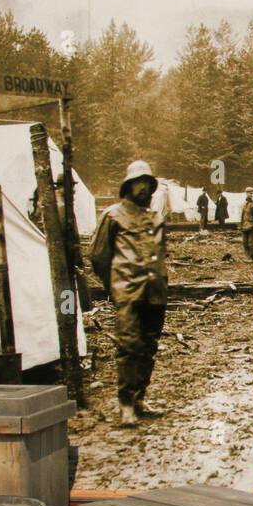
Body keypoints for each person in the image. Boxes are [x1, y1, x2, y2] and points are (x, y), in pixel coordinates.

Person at [90, 160, 171, 427]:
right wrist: (115, 287)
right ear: (127, 186)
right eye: (138, 183)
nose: (143, 188)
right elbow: (99, 256)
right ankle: (125, 404)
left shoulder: (157, 218)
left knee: (149, 346)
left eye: (147, 183)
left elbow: (159, 254)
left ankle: (140, 398)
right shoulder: (113, 215)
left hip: (155, 293)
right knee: (128, 347)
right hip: (128, 292)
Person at [240, 187, 253, 261]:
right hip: (244, 226)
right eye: (248, 193)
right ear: (246, 194)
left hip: (251, 226)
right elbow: (242, 216)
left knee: (251, 244)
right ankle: (247, 257)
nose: (250, 194)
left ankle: (252, 258)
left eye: (251, 193)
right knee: (244, 243)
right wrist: (240, 225)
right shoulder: (244, 204)